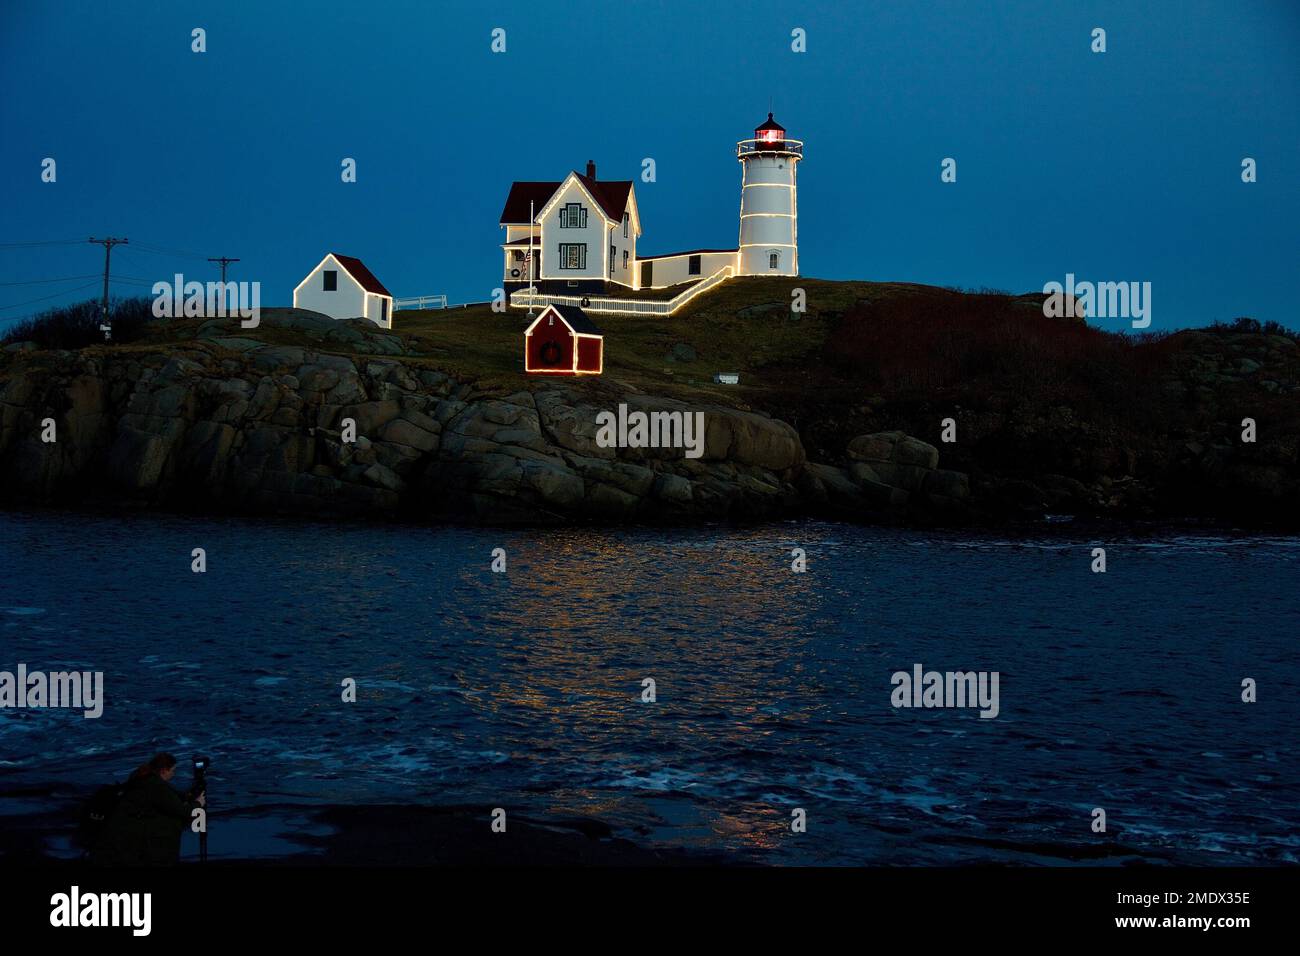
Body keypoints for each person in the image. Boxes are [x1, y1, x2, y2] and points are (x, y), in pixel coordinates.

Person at [93, 753, 204, 865]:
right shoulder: (156, 786)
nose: (173, 774)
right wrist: (198, 803)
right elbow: (184, 811)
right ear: (164, 770)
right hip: (139, 843)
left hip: (122, 837)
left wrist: (188, 796)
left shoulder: (141, 778)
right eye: (173, 770)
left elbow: (167, 797)